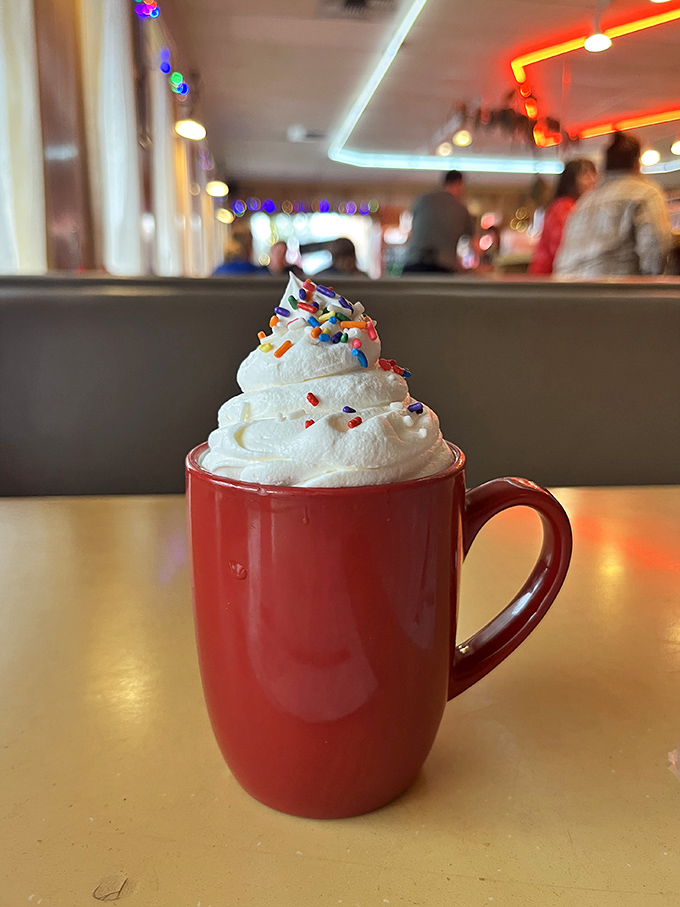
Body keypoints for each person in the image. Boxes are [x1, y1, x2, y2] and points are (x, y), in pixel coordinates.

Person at [555, 133, 673, 277]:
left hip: (565, 291)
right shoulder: (645, 193)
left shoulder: (585, 201)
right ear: (637, 163)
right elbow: (655, 254)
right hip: (613, 294)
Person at [529, 158, 597, 275]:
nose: (592, 179)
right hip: (551, 278)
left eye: (593, 173)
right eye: (585, 174)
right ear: (571, 180)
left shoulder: (576, 206)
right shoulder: (564, 207)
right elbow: (562, 247)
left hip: (560, 275)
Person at [402, 170, 474, 273]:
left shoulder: (422, 200)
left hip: (412, 264)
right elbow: (474, 244)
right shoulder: (461, 209)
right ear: (460, 184)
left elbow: (412, 230)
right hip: (443, 268)